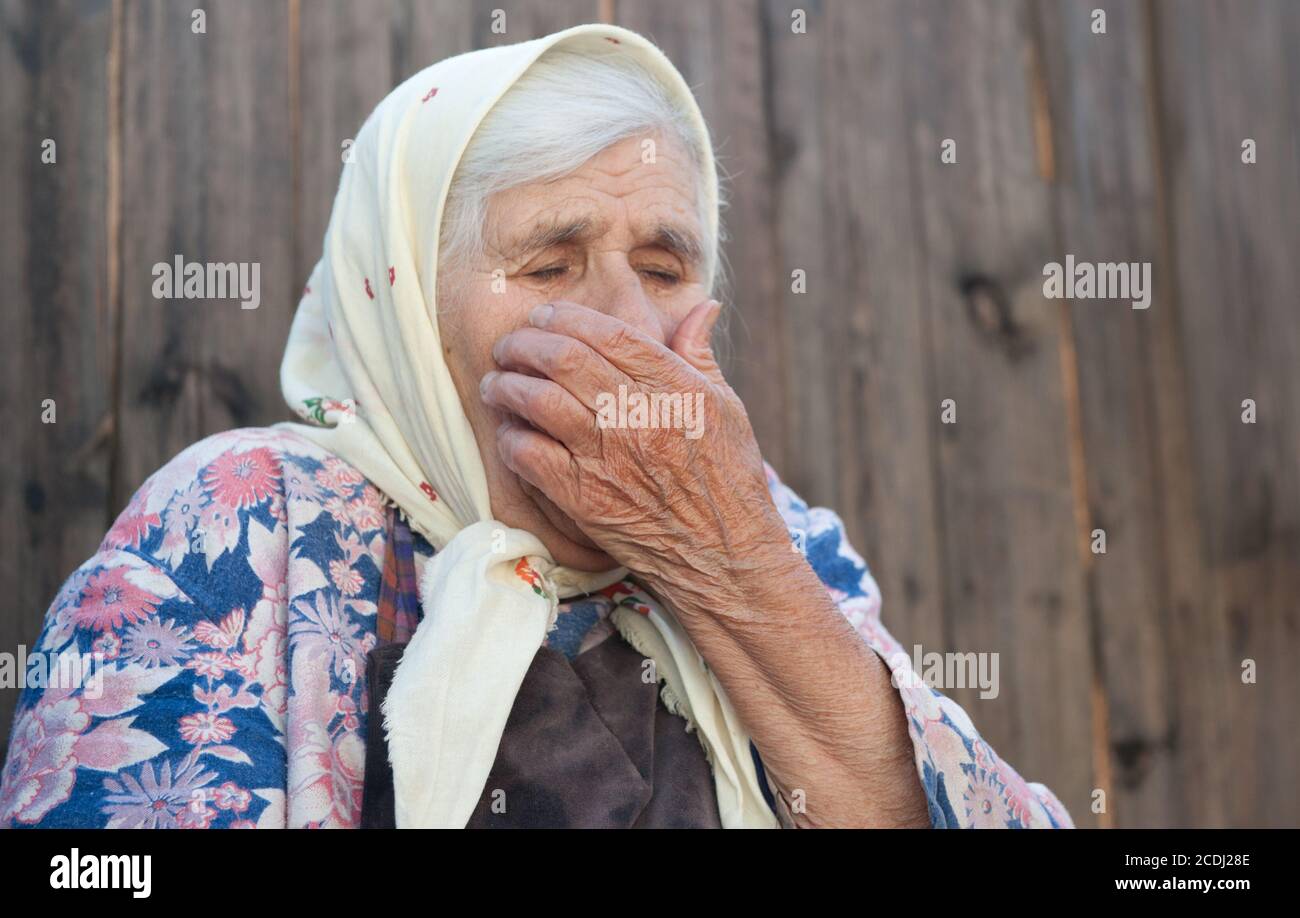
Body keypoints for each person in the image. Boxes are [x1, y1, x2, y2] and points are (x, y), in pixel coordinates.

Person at [0, 24, 1072, 829]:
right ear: (412, 316)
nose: (625, 321)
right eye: (548, 265)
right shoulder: (244, 526)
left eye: (663, 267)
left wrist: (731, 565)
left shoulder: (776, 534)